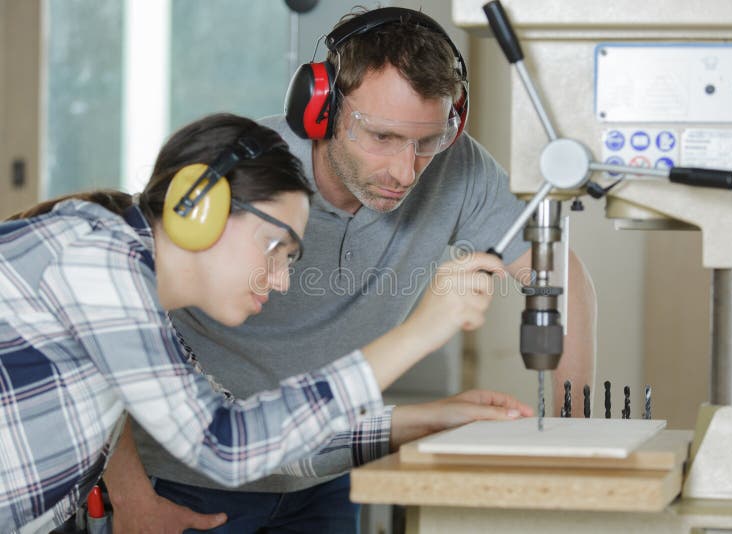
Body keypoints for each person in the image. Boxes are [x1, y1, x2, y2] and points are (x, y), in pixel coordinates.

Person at [107, 7, 597, 534]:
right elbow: (108, 333)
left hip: (327, 469)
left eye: (426, 141)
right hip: (185, 478)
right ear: (323, 110)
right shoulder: (245, 172)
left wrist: (571, 436)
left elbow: (560, 276)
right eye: (382, 137)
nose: (405, 171)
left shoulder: (458, 168)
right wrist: (131, 497)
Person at [0, 113, 527, 533]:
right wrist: (418, 334)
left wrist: (421, 420)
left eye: (290, 259)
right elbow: (227, 446)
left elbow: (257, 434)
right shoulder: (96, 261)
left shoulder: (137, 301)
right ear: (197, 206)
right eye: (274, 248)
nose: (279, 282)